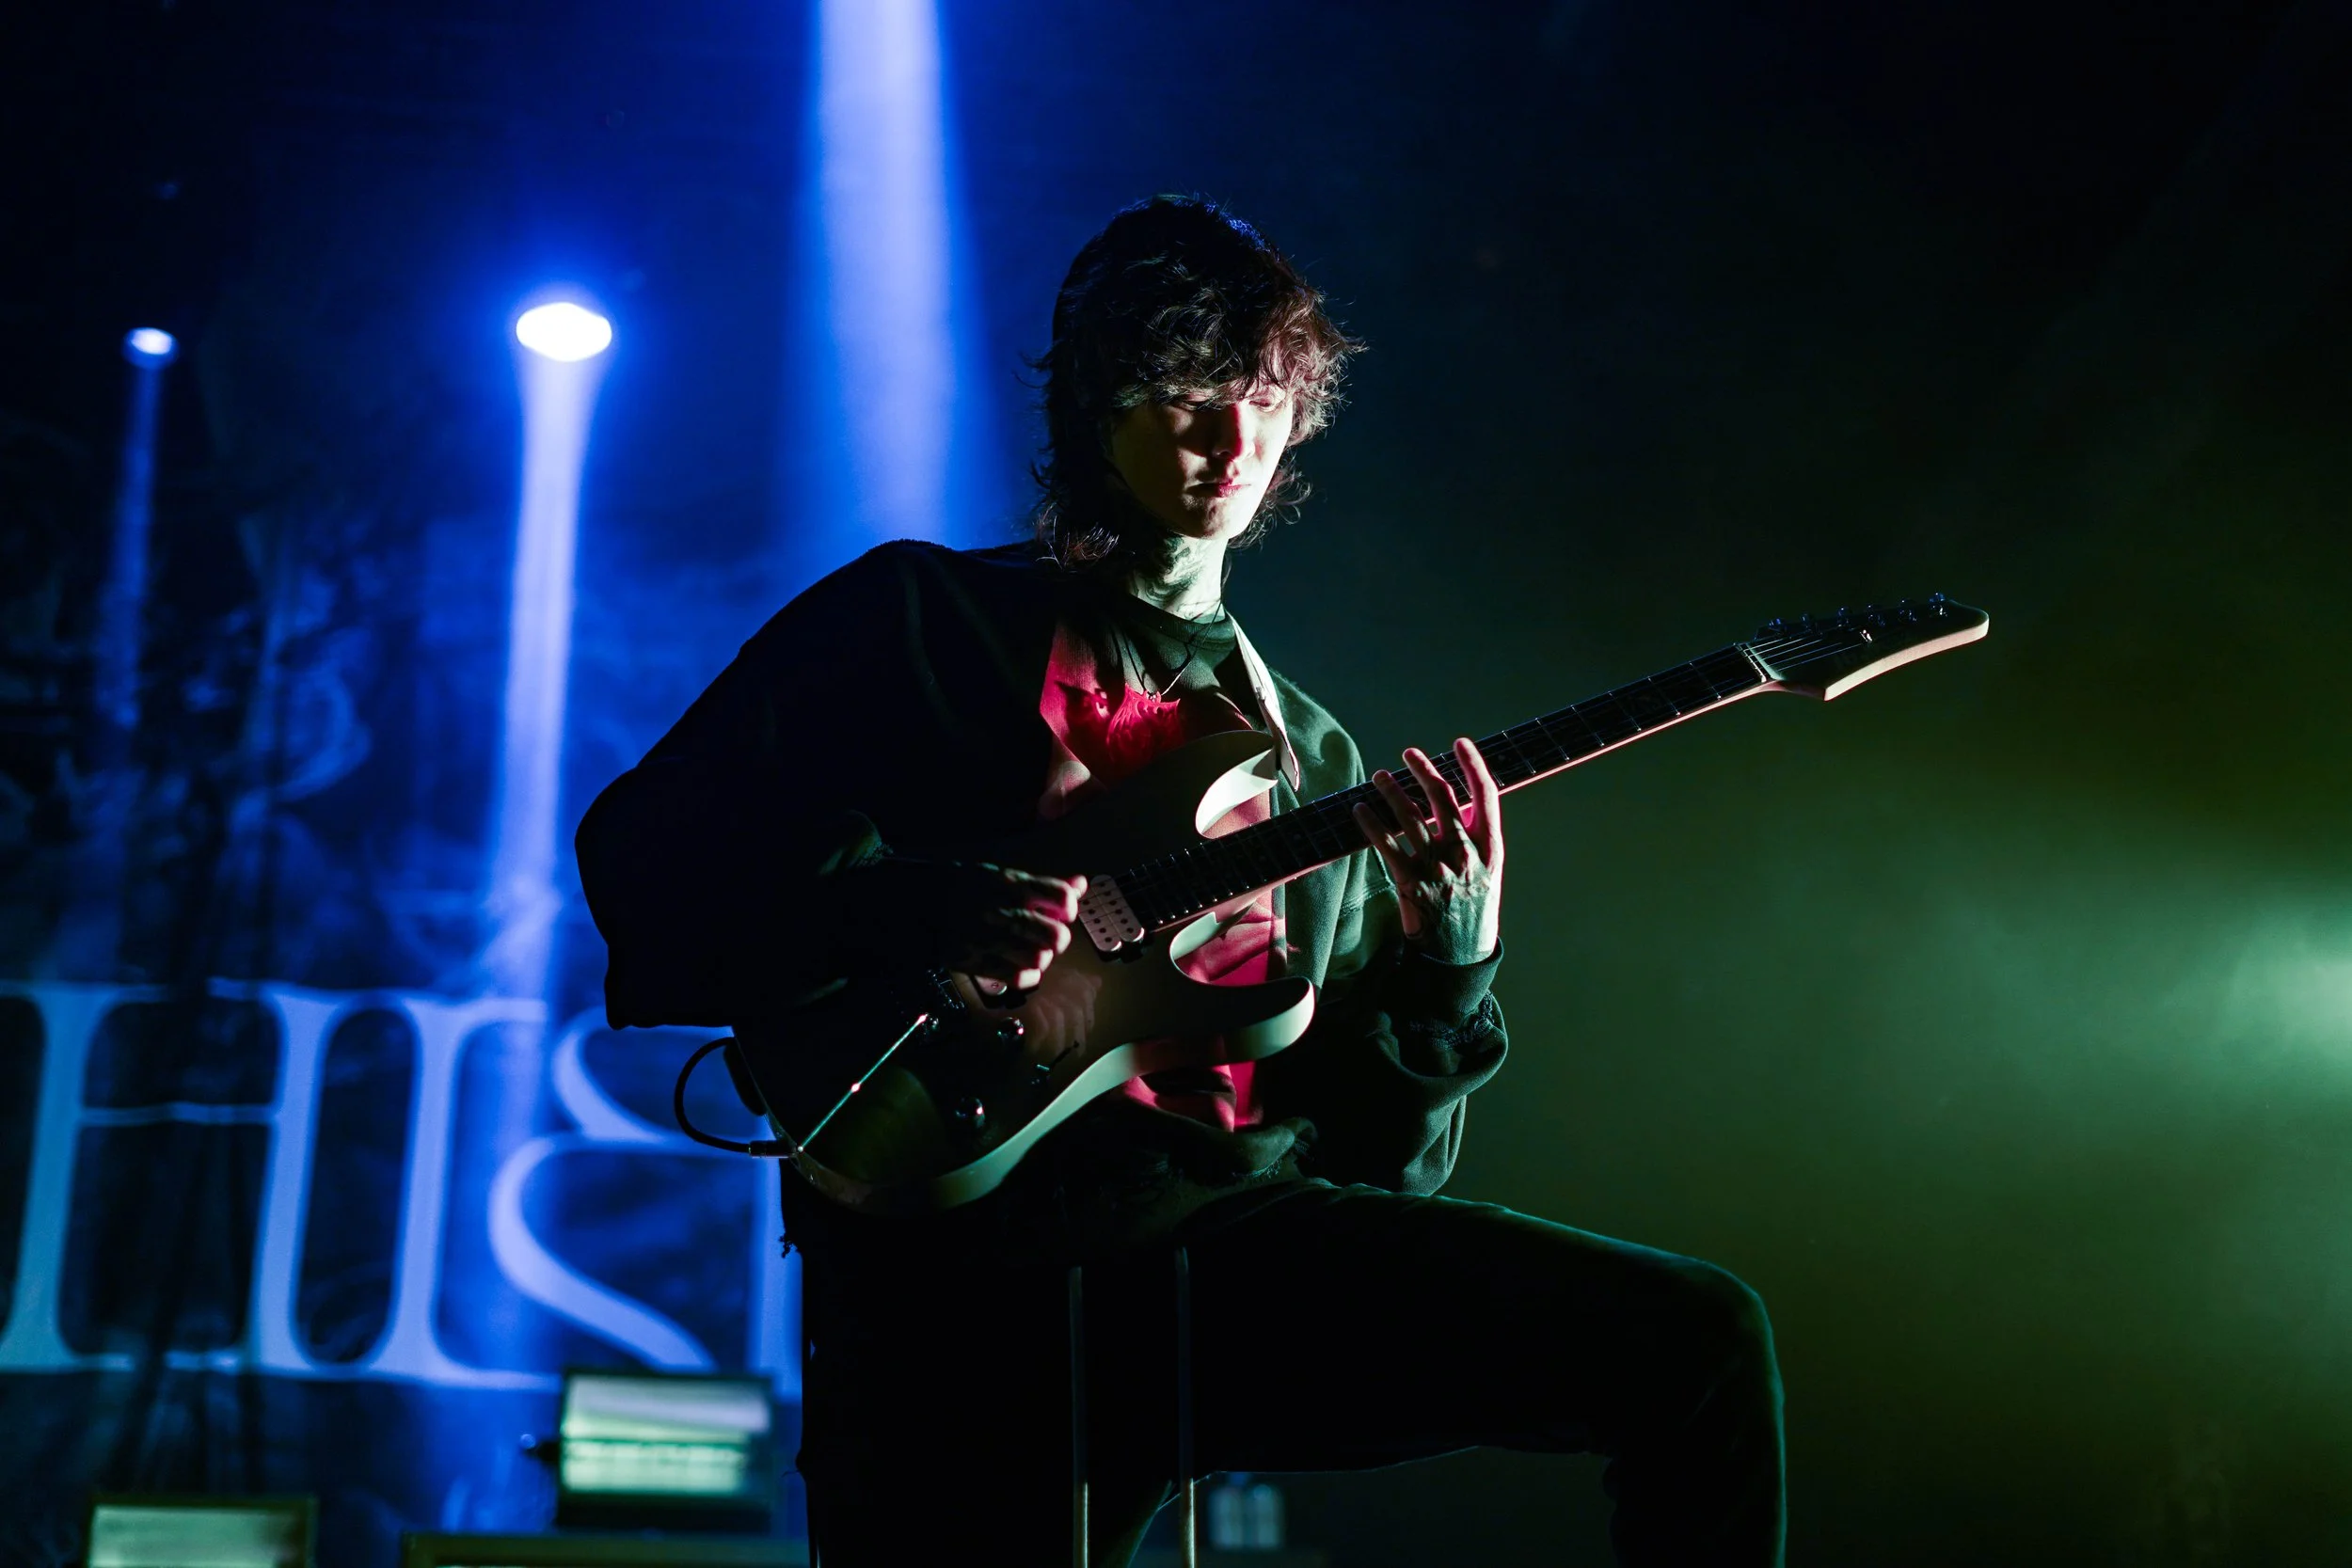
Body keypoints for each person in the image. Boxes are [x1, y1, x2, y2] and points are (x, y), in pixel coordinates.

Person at [575, 195, 1784, 1566]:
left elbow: (1383, 1173)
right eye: (1185, 393)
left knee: (1695, 1340)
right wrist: (909, 904)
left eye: (1263, 396)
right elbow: (645, 858)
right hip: (957, 1286)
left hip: (1224, 1257)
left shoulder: (1308, 755)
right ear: (1100, 405)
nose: (1230, 438)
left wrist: (1453, 965)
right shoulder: (916, 623)